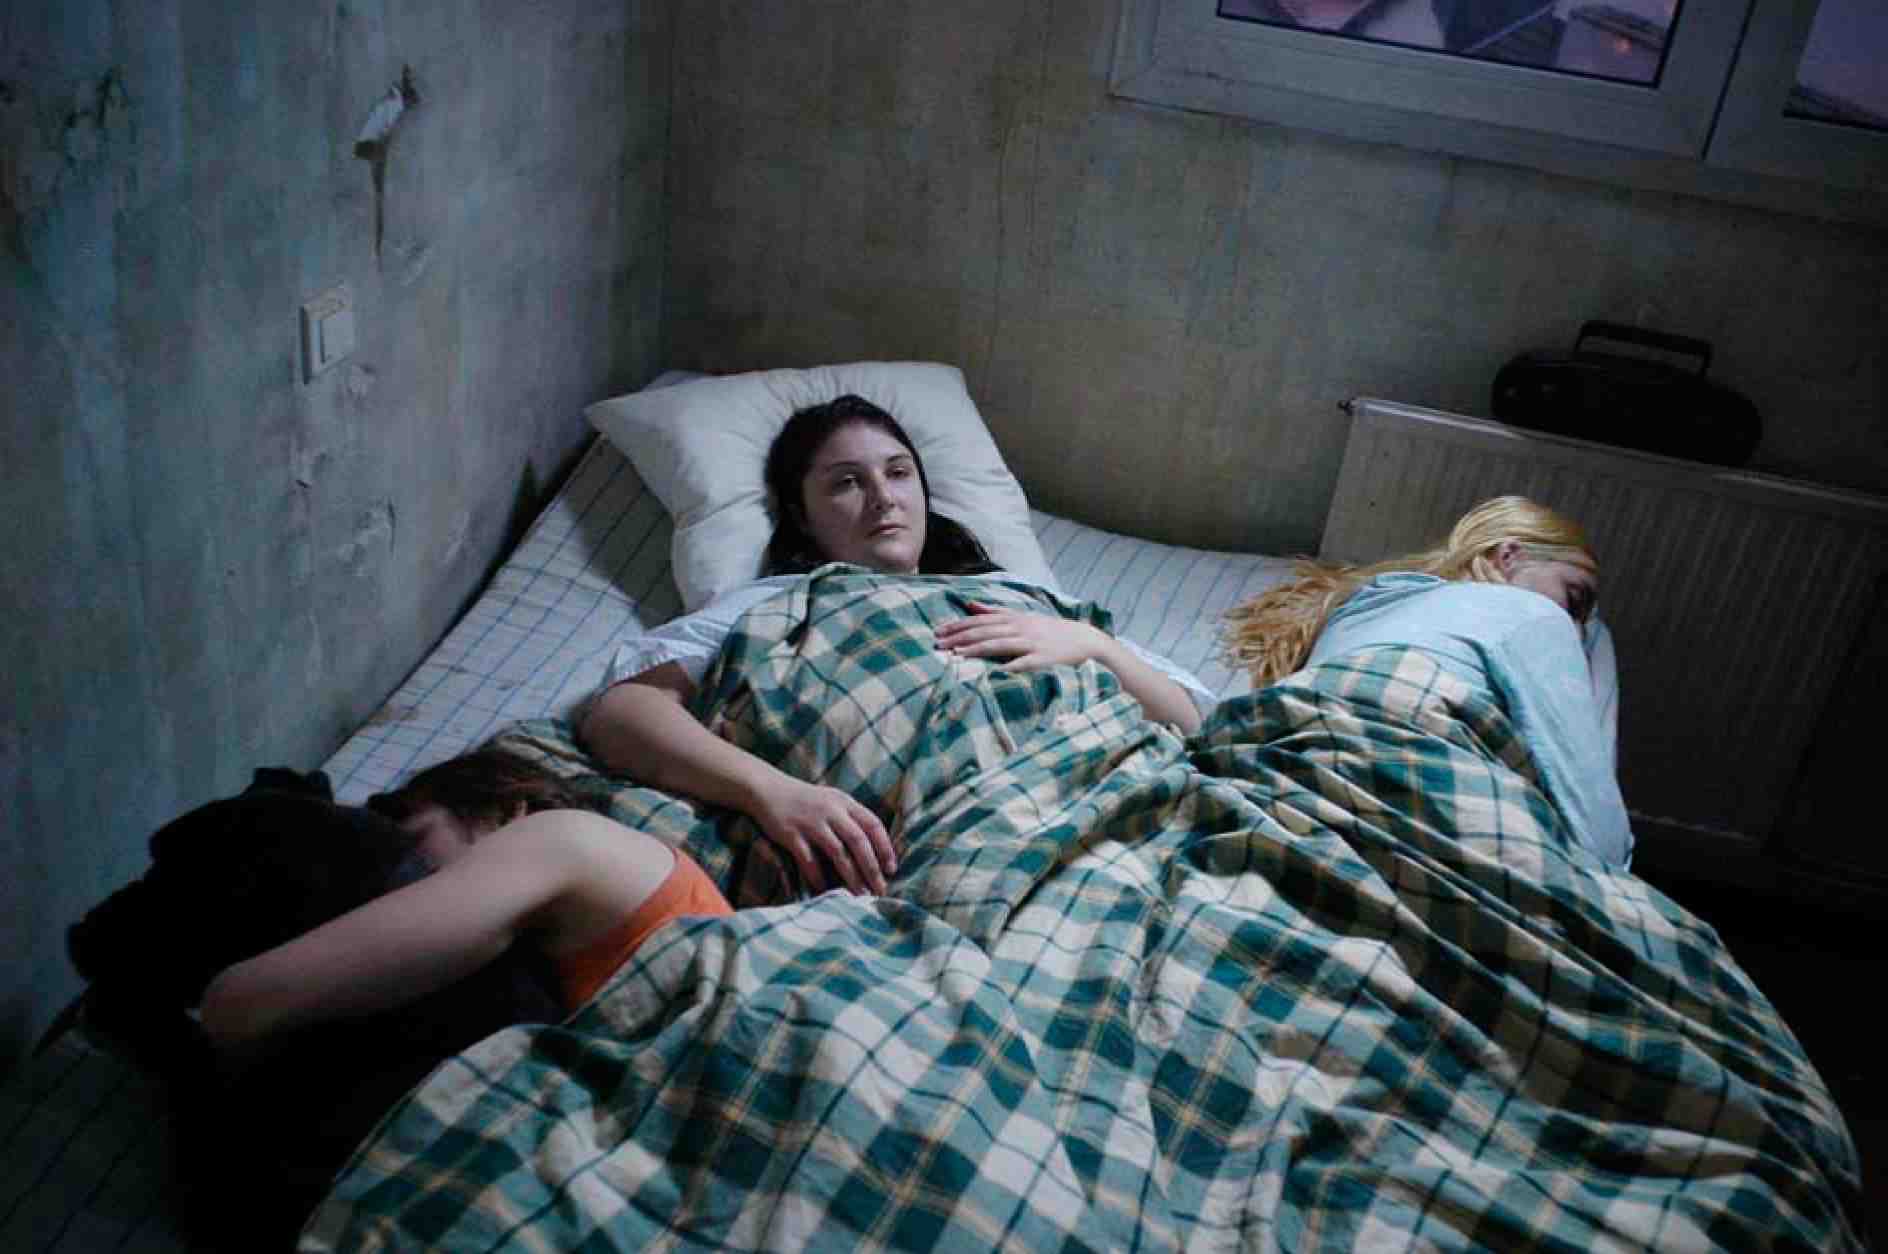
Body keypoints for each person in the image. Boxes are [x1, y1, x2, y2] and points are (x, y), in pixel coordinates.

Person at [579, 394, 1214, 895]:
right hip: (937, 841)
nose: (884, 497)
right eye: (846, 483)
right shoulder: (771, 602)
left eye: (899, 472)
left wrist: (1093, 645)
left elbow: (1192, 724)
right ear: (801, 515)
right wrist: (772, 792)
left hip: (1099, 804)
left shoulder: (1024, 596)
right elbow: (621, 713)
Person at [198, 748, 733, 1056]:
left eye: (417, 836)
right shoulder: (590, 915)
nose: (412, 870)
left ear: (507, 808)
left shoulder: (562, 837)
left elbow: (242, 1003)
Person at [1221, 495, 1632, 868]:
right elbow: (1593, 822)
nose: (1579, 632)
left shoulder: (1363, 604)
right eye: (1574, 599)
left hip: (1283, 759)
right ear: (1508, 555)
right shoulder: (1534, 613)